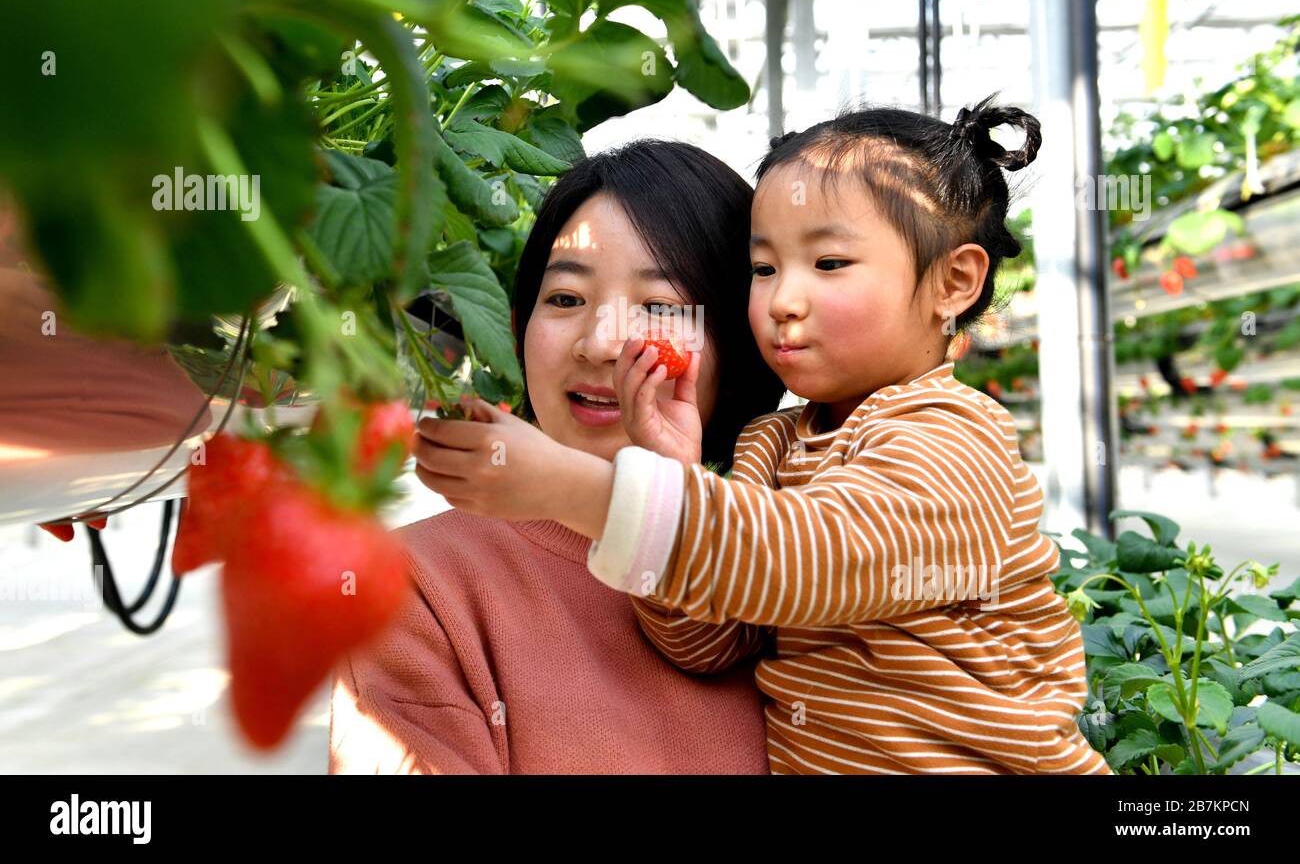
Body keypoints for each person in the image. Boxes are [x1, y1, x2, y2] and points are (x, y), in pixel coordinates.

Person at [414, 96, 1112, 775]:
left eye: (829, 264)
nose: (783, 300)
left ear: (954, 282)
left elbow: (813, 560)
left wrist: (579, 489)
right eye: (764, 269)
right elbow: (709, 641)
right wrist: (673, 472)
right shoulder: (773, 446)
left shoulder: (954, 439)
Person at [329, 139, 786, 774]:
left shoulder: (792, 561)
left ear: (737, 347)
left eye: (660, 306)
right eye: (566, 299)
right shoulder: (413, 586)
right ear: (517, 327)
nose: (601, 343)